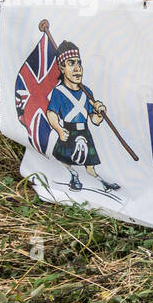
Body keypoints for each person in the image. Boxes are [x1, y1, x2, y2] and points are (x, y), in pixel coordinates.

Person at [44, 41, 120, 192]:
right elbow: (51, 113)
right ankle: (73, 176)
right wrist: (59, 129)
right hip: (68, 131)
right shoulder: (59, 92)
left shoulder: (87, 92)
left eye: (79, 63)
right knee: (63, 159)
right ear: (61, 68)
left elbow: (95, 120)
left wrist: (100, 112)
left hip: (84, 132)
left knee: (90, 165)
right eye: (71, 63)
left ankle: (103, 182)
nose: (77, 68)